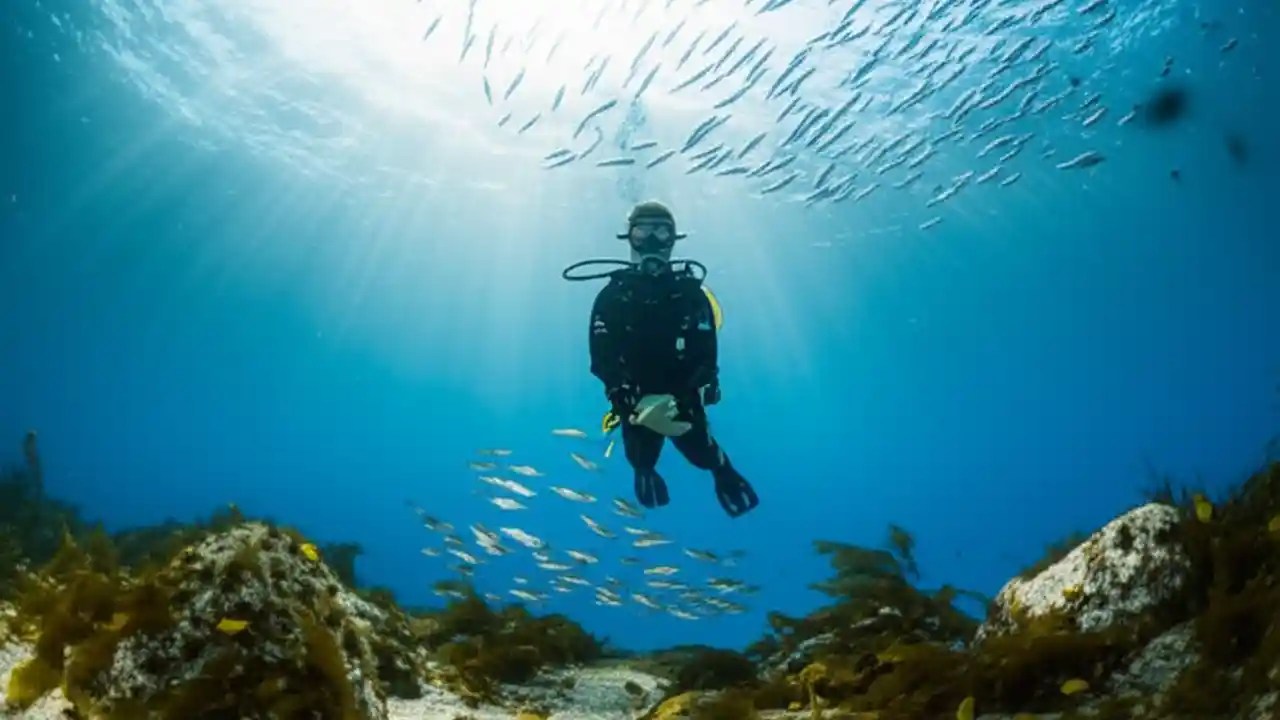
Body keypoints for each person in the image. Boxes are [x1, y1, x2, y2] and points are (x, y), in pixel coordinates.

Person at [586, 201, 759, 518]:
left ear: (673, 240)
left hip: (683, 394)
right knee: (640, 457)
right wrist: (619, 391)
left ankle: (722, 470)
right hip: (634, 399)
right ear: (629, 239)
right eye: (642, 233)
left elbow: (708, 354)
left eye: (661, 232)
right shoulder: (611, 296)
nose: (652, 242)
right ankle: (645, 472)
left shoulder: (691, 294)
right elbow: (601, 355)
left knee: (702, 453)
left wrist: (687, 393)